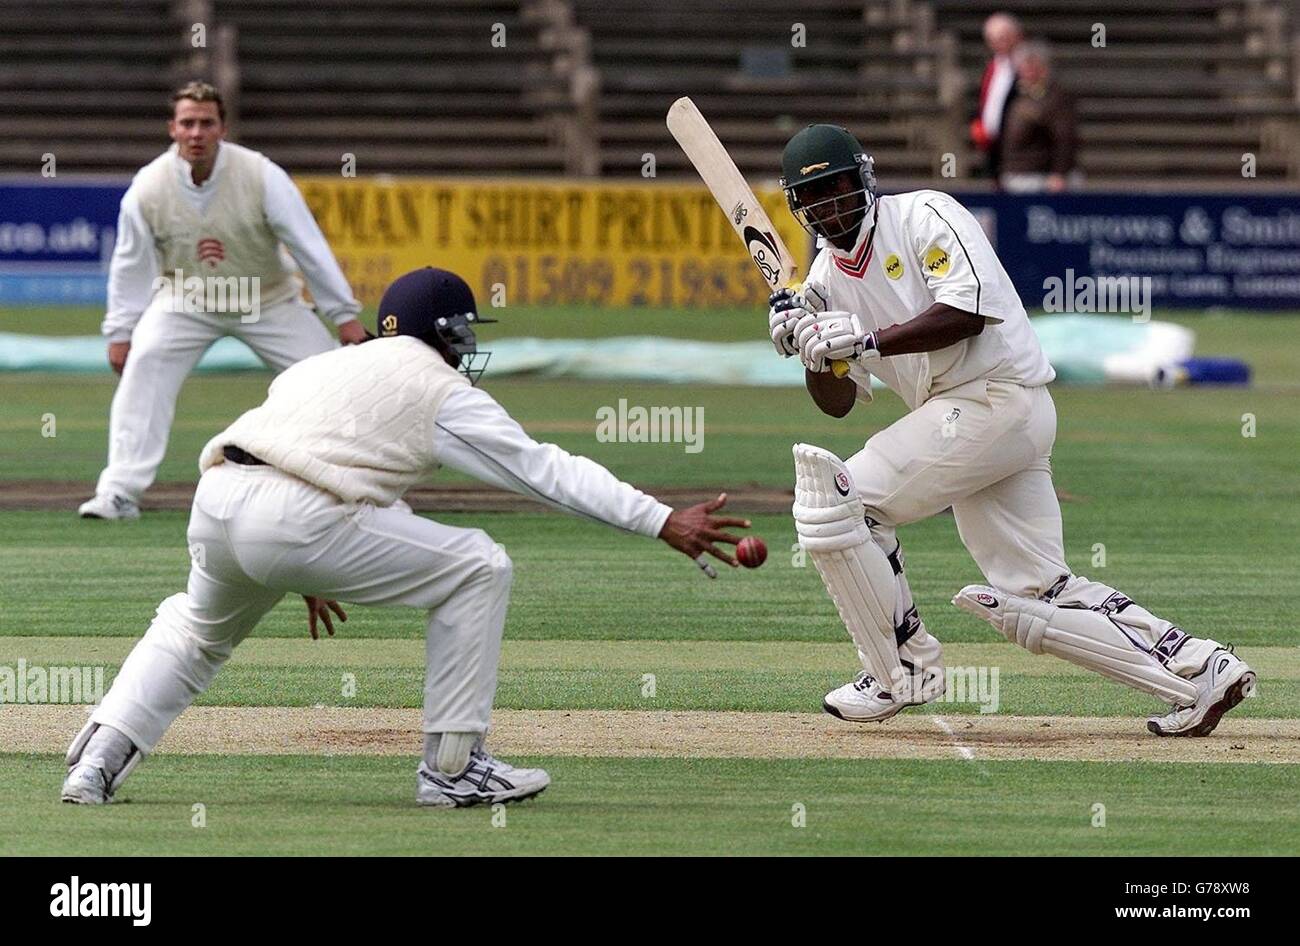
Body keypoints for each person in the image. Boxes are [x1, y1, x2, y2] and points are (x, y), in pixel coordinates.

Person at [61, 267, 749, 808]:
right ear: (442, 335)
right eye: (462, 334)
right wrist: (660, 518)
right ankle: (454, 770)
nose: (466, 349)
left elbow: (322, 459)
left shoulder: (326, 364)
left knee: (196, 633)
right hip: (300, 517)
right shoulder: (437, 387)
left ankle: (98, 759)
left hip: (218, 502)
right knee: (480, 566)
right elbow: (544, 470)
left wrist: (300, 564)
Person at [766, 124, 1255, 737]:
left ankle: (899, 667)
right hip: (974, 425)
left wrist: (863, 339)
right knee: (1037, 597)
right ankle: (1200, 669)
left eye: (839, 188)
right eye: (815, 199)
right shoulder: (824, 283)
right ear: (798, 207)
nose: (830, 206)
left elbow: (968, 312)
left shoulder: (924, 215)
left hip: (994, 397)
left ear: (863, 180)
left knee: (841, 501)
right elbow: (837, 403)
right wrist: (811, 348)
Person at [78, 80, 367, 520]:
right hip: (185, 299)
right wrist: (120, 332)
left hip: (266, 298)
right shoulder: (147, 187)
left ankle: (359, 487)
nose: (197, 133)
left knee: (327, 383)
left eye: (206, 123)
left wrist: (344, 316)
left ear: (223, 128)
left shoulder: (261, 174)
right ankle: (119, 492)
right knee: (145, 364)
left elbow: (307, 244)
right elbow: (130, 264)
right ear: (172, 128)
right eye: (188, 123)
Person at [999, 40, 1079, 193]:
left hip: (1040, 177)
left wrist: (1059, 173)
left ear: (1040, 67)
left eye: (1027, 67)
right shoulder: (1022, 94)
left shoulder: (1056, 97)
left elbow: (1065, 137)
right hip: (1016, 173)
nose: (1023, 72)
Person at [970, 12, 1022, 182]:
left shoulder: (1025, 67)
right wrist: (979, 122)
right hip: (991, 143)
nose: (998, 44)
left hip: (1018, 145)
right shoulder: (992, 66)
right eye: (993, 39)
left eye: (1003, 38)